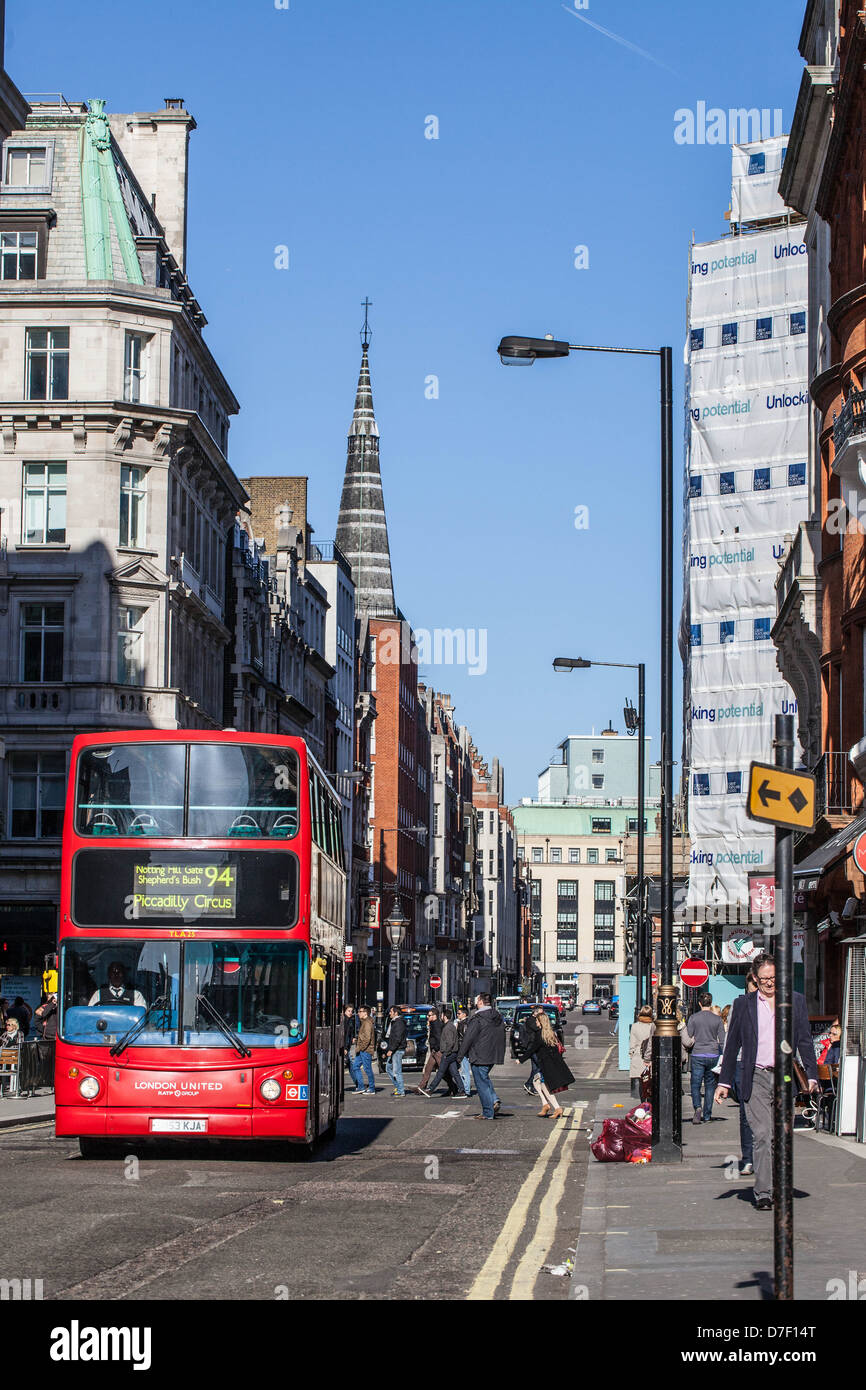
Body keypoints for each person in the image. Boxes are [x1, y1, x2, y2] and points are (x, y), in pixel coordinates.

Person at [716, 952, 818, 1209]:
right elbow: (732, 1046)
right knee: (762, 1134)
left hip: (784, 1076)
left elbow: (805, 1041)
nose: (769, 983)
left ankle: (778, 1185)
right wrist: (724, 1082)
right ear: (755, 979)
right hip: (756, 1076)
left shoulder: (795, 1001)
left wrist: (813, 1075)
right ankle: (763, 1192)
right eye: (764, 979)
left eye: (773, 978)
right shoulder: (743, 1005)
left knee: (779, 1137)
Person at [457, 993, 506, 1120]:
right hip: (493, 1054)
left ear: (480, 1002)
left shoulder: (477, 1018)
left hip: (479, 1055)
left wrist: (460, 1055)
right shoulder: (497, 1016)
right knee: (484, 1079)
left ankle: (488, 1112)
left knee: (481, 1084)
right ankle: (494, 1100)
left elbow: (468, 1038)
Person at [520, 1006, 574, 1118]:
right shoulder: (550, 1033)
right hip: (550, 1064)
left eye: (537, 1020)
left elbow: (532, 1049)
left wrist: (520, 1060)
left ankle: (556, 1108)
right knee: (536, 1081)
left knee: (544, 1086)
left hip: (546, 1065)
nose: (535, 1022)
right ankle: (546, 1105)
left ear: (540, 1022)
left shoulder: (540, 1035)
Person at [682, 991, 726, 1124]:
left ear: (699, 1003)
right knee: (710, 1085)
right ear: (710, 1003)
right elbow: (722, 1040)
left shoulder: (694, 1018)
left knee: (695, 1084)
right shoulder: (717, 1019)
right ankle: (707, 1114)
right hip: (713, 1053)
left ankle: (697, 1107)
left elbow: (689, 1037)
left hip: (698, 1054)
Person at [419, 1008, 467, 1097]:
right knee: (454, 1073)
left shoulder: (448, 1027)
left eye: (441, 1015)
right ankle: (461, 1090)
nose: (440, 1017)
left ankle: (431, 1089)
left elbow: (449, 1042)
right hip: (450, 1053)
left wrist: (445, 1053)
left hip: (448, 1053)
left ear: (444, 1016)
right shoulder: (448, 1026)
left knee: (441, 1072)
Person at [349, 1005, 377, 1094]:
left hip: (366, 1050)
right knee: (356, 1066)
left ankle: (372, 1088)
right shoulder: (364, 1022)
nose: (358, 1013)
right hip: (361, 1049)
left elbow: (367, 1038)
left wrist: (361, 1048)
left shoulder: (367, 1023)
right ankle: (361, 1087)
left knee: (367, 1069)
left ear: (365, 1013)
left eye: (360, 1011)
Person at [629, 1005, 655, 1098]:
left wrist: (632, 1056)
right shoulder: (653, 1026)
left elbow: (632, 1044)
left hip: (638, 1057)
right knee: (651, 1083)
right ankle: (651, 1105)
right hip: (651, 1057)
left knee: (641, 1084)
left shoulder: (635, 1026)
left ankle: (644, 1105)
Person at [383, 1005, 407, 1097]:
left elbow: (397, 1038)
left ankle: (401, 1091)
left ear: (396, 1013)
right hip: (394, 1049)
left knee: (397, 1071)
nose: (389, 1013)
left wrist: (391, 1050)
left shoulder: (399, 1023)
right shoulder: (394, 1022)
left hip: (397, 1050)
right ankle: (398, 1086)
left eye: (391, 1012)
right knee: (388, 1068)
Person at [418, 1007, 443, 1091]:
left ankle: (454, 1087)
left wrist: (436, 1048)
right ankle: (421, 1087)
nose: (427, 1017)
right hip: (433, 1051)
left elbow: (438, 1038)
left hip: (437, 1051)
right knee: (428, 1068)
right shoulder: (433, 1024)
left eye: (429, 1015)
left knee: (444, 1070)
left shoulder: (437, 1025)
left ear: (434, 1016)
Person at [456, 1006, 473, 1097]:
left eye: (459, 1013)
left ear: (464, 1014)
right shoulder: (463, 1023)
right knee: (463, 1070)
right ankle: (464, 1088)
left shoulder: (464, 1024)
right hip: (463, 1049)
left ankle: (466, 1090)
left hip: (463, 1049)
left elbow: (464, 1038)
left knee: (464, 1070)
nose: (457, 1015)